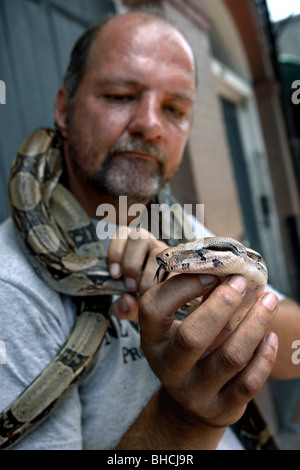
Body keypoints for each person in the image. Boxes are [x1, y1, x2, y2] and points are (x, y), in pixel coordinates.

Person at [0, 11, 300, 451]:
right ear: (63, 110)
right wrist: (188, 415)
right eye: (121, 96)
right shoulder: (12, 290)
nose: (151, 125)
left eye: (175, 109)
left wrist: (230, 308)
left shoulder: (177, 225)